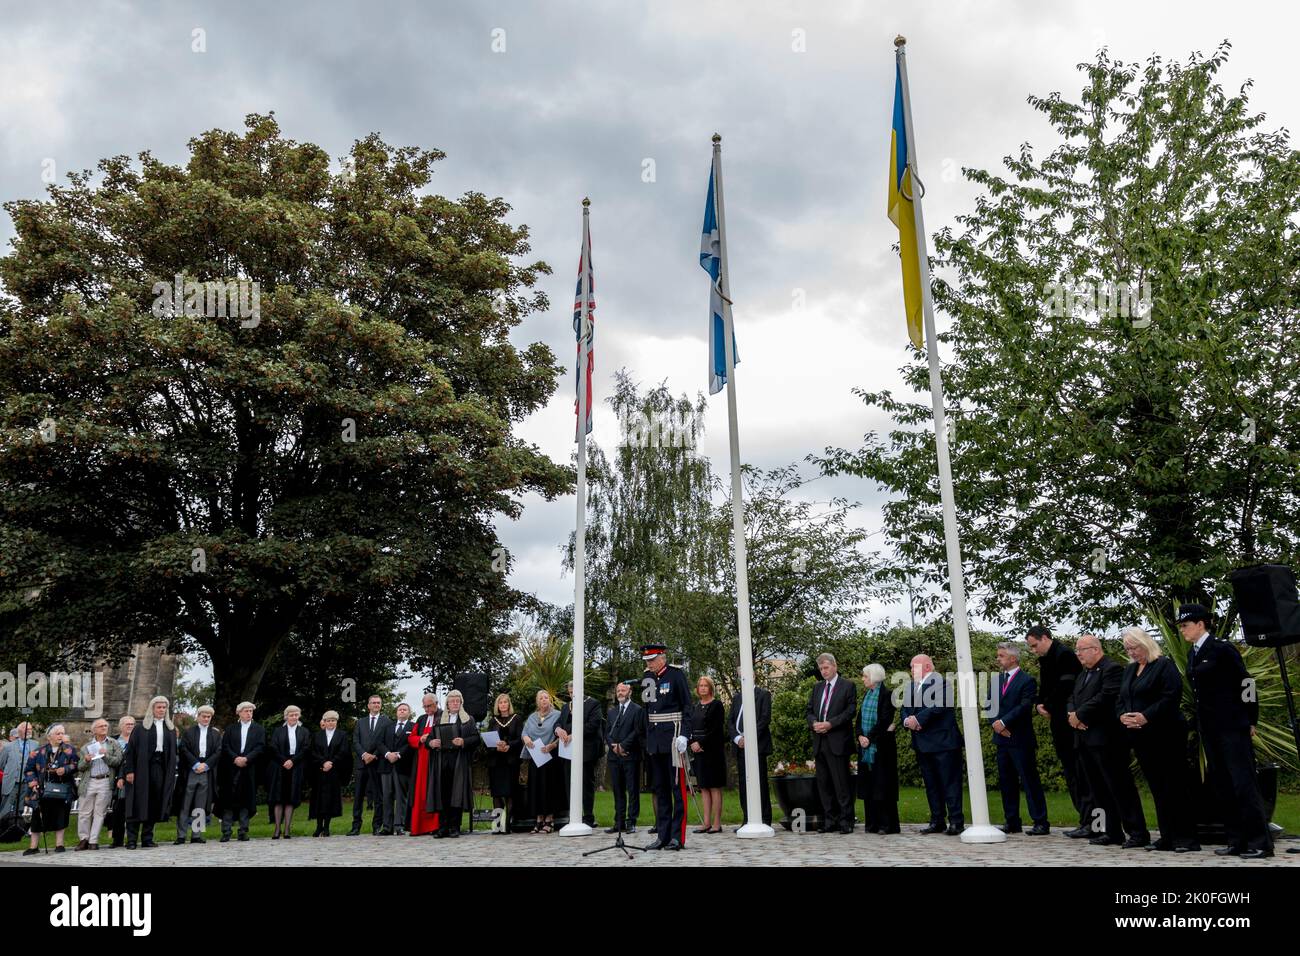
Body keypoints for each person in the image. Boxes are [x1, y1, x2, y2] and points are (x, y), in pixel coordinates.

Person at [1179, 604, 1272, 858]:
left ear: (1200, 624)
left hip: (1232, 726)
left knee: (1243, 783)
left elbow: (1247, 683)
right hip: (1209, 729)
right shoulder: (1193, 654)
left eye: (1186, 625)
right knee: (1223, 784)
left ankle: (1260, 843)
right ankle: (1236, 840)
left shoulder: (1222, 649)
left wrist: (1251, 719)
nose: (1183, 630)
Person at [1117, 626, 1200, 853]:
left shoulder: (1164, 665)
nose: (1131, 652)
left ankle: (1186, 838)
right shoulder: (1130, 669)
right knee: (1157, 787)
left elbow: (1171, 696)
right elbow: (1122, 698)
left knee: (1175, 785)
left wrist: (1146, 716)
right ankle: (1167, 836)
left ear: (1145, 644)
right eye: (1127, 648)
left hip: (1167, 734)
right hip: (1141, 738)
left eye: (1134, 647)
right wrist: (1123, 716)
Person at [1068, 634, 1150, 848]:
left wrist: (1081, 715)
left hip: (1107, 740)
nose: (1078, 654)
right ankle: (1108, 831)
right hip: (1085, 739)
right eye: (1077, 650)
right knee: (1097, 790)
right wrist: (1072, 715)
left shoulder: (1111, 669)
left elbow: (1106, 697)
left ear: (1095, 649)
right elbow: (1073, 697)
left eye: (1082, 649)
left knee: (1119, 787)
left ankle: (1137, 832)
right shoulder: (1084, 673)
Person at [1026, 625, 1092, 838]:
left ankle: (1092, 821)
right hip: (1058, 720)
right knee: (1072, 773)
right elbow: (1045, 686)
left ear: (1045, 638)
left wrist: (1049, 705)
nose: (1034, 650)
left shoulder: (1064, 655)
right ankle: (1085, 820)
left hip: (1068, 721)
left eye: (1035, 645)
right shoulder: (1047, 658)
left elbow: (1066, 687)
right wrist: (1039, 703)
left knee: (1081, 774)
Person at [989, 642, 1049, 835]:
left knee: (1029, 781)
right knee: (1007, 782)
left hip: (1020, 738)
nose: (998, 659)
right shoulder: (996, 680)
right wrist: (996, 724)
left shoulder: (1027, 680)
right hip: (1001, 739)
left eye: (1001, 656)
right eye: (998, 655)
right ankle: (1012, 821)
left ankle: (1040, 821)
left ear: (1013, 658)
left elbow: (1024, 707)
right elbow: (989, 704)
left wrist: (1004, 722)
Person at [902, 654, 964, 835]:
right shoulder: (910, 687)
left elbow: (940, 705)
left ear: (927, 667)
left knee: (949, 783)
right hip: (921, 743)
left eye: (914, 666)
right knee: (931, 784)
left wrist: (917, 720)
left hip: (943, 743)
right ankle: (937, 820)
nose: (911, 670)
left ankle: (956, 821)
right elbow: (904, 709)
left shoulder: (943, 684)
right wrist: (907, 721)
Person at [641, 643, 693, 851]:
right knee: (660, 790)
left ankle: (677, 837)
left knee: (677, 789)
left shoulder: (676, 675)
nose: (649, 664)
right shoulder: (648, 679)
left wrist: (685, 735)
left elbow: (687, 706)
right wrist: (647, 740)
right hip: (655, 741)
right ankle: (662, 835)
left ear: (662, 657)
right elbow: (647, 711)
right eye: (647, 661)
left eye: (652, 660)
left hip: (673, 737)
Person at [807, 652, 857, 834]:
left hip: (837, 741)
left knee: (841, 784)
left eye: (826, 667)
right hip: (820, 741)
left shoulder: (847, 686)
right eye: (821, 668)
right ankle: (830, 821)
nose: (823, 671)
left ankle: (846, 821)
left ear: (835, 666)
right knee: (824, 784)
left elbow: (850, 711)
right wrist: (814, 723)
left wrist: (830, 724)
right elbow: (810, 710)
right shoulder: (817, 688)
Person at [423, 689, 480, 838]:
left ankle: (455, 827)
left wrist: (463, 741)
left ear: (461, 703)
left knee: (457, 794)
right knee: (442, 794)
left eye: (457, 701)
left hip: (459, 761)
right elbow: (428, 740)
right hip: (441, 761)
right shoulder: (439, 719)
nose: (454, 703)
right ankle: (443, 827)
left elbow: (476, 739)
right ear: (447, 703)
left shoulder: (468, 719)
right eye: (451, 701)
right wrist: (431, 743)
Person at [124, 696, 178, 849]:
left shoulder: (170, 728)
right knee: (137, 801)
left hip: (161, 767)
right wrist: (129, 770)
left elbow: (173, 752)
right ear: (152, 709)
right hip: (142, 768)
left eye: (164, 708)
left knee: (155, 801)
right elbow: (131, 751)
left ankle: (147, 838)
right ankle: (132, 840)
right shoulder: (141, 728)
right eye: (159, 707)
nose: (161, 710)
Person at [21, 725, 78, 855]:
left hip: (62, 788)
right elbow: (29, 769)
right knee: (37, 816)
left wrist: (66, 769)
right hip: (42, 789)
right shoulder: (37, 752)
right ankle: (33, 846)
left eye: (62, 733)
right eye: (58, 733)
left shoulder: (70, 750)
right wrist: (33, 782)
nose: (60, 736)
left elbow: (75, 765)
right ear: (49, 736)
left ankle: (59, 845)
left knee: (61, 815)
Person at [856, 663, 899, 834]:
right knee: (869, 785)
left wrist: (869, 738)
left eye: (865, 676)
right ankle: (872, 824)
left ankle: (886, 825)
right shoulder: (867, 695)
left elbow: (884, 721)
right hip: (866, 749)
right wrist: (860, 735)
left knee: (882, 786)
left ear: (873, 677)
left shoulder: (887, 695)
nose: (863, 679)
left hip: (881, 748)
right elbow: (859, 720)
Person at [555, 680, 603, 828]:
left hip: (586, 750)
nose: (572, 695)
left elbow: (593, 725)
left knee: (586, 784)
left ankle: (588, 817)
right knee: (569, 783)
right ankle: (573, 816)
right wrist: (558, 730)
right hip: (567, 750)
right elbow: (557, 723)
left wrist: (574, 735)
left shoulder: (593, 704)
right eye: (570, 693)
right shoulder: (565, 707)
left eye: (574, 692)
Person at [728, 680, 773, 830]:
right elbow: (731, 721)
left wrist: (749, 737)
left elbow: (765, 718)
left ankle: (765, 819)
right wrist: (737, 738)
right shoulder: (737, 697)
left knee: (760, 781)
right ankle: (747, 818)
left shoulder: (763, 694)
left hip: (757, 745)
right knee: (743, 783)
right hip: (740, 745)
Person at [218, 701, 265, 842]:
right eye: (246, 711)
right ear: (239, 712)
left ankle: (243, 831)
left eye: (251, 711)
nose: (249, 713)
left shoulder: (258, 729)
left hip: (248, 768)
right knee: (228, 800)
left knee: (246, 800)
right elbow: (225, 746)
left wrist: (246, 759)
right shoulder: (231, 729)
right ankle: (226, 831)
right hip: (231, 769)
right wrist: (236, 758)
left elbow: (260, 747)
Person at [75, 718, 123, 850]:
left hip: (105, 781)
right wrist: (86, 760)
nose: (104, 728)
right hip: (89, 781)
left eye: (105, 726)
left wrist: (105, 755)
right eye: (101, 726)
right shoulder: (86, 746)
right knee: (84, 812)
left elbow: (118, 761)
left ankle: (93, 841)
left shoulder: (114, 743)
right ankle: (83, 839)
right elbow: (80, 767)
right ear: (94, 730)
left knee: (99, 812)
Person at [605, 680, 645, 834]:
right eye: (618, 691)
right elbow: (606, 732)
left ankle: (631, 821)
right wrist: (614, 746)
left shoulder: (637, 710)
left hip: (630, 755)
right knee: (617, 789)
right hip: (614, 757)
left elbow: (637, 731)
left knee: (632, 789)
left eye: (623, 690)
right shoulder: (612, 712)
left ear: (630, 692)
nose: (620, 693)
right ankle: (619, 821)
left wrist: (623, 746)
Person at [350, 694, 393, 836]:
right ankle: (356, 826)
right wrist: (364, 755)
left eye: (378, 703)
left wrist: (374, 755)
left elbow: (386, 741)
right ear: (368, 705)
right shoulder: (360, 722)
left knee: (378, 796)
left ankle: (376, 826)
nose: (376, 705)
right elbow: (355, 741)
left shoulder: (386, 721)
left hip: (377, 762)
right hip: (362, 764)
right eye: (373, 703)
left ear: (381, 705)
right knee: (358, 796)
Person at [175, 705, 218, 845]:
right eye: (204, 716)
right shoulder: (189, 732)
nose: (206, 719)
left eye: (208, 717)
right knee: (185, 804)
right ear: (198, 717)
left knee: (200, 805)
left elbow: (218, 751)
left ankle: (196, 835)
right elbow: (184, 749)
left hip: (206, 771)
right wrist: (195, 764)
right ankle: (181, 835)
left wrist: (205, 765)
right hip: (190, 771)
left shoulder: (215, 734)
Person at [689, 675, 726, 834]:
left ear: (711, 688)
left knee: (714, 787)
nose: (702, 688)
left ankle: (717, 824)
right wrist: (692, 743)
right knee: (703, 787)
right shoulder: (695, 706)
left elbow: (717, 729)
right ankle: (706, 822)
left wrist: (702, 743)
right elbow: (690, 726)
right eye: (700, 685)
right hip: (698, 752)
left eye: (705, 685)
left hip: (712, 751)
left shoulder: (717, 705)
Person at [267, 705, 311, 839]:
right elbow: (273, 747)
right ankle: (276, 829)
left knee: (291, 799)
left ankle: (287, 829)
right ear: (286, 716)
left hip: (295, 767)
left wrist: (293, 761)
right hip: (280, 767)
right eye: (291, 715)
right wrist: (284, 761)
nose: (294, 717)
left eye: (296, 715)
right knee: (278, 798)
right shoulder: (278, 731)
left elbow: (306, 748)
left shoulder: (304, 731)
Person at [522, 690, 562, 833]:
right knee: (535, 788)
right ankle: (538, 819)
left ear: (549, 700)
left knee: (549, 788)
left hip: (551, 758)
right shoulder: (532, 717)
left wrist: (553, 745)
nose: (544, 700)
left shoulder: (557, 715)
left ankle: (549, 820)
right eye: (541, 698)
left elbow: (563, 733)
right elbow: (525, 732)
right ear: (537, 701)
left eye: (546, 697)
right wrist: (526, 739)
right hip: (535, 757)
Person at [485, 694, 523, 834]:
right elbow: (487, 740)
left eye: (505, 702)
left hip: (511, 761)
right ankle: (497, 825)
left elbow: (520, 739)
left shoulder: (517, 719)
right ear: (497, 705)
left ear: (509, 704)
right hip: (496, 761)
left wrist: (508, 745)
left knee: (509, 793)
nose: (503, 704)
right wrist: (497, 747)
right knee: (497, 794)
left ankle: (508, 825)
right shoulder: (493, 721)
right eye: (500, 702)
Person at [309, 711, 351, 836]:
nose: (331, 723)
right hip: (319, 771)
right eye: (328, 720)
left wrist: (331, 763)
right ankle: (318, 827)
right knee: (319, 799)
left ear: (336, 722)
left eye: (333, 720)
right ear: (324, 722)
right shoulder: (317, 735)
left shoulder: (342, 735)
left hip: (334, 772)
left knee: (330, 799)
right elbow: (313, 752)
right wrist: (323, 763)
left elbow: (344, 751)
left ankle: (326, 827)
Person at [407, 693, 443, 836]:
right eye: (425, 706)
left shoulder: (442, 716)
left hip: (436, 758)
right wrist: (420, 739)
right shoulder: (421, 719)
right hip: (421, 761)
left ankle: (435, 826)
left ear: (436, 703)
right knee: (420, 793)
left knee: (434, 791)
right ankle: (419, 826)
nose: (427, 709)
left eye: (429, 706)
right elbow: (411, 738)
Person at [383, 703, 416, 836]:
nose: (402, 711)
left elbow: (411, 743)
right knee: (387, 796)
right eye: (400, 709)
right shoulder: (388, 727)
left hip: (404, 765)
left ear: (409, 712)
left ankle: (399, 825)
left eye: (405, 709)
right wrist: (387, 754)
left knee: (401, 796)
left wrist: (398, 754)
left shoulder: (413, 726)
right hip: (386, 765)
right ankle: (387, 827)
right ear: (396, 712)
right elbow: (380, 742)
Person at [1, 722, 37, 827]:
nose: (29, 731)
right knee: (5, 807)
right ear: (20, 731)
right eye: (27, 729)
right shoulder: (8, 746)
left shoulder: (35, 744)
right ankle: (2, 828)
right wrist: (11, 772)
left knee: (22, 807)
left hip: (27, 782)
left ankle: (18, 828)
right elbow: (2, 763)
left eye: (30, 729)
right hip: (11, 781)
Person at [107, 715, 135, 848]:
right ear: (120, 726)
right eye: (127, 724)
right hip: (117, 778)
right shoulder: (113, 741)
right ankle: (117, 839)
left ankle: (131, 839)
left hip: (133, 778)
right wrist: (120, 777)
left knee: (132, 810)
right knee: (118, 810)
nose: (130, 726)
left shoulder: (137, 739)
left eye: (132, 724)